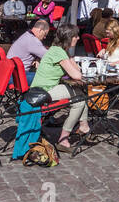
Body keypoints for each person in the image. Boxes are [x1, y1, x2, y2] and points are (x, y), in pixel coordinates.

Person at [33, 23, 96, 152]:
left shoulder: (59, 50)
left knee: (79, 94)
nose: (78, 38)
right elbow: (77, 75)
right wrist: (70, 60)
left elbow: (77, 69)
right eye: (75, 36)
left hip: (44, 88)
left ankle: (82, 126)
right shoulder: (58, 53)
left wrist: (70, 57)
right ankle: (64, 139)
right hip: (43, 91)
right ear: (69, 37)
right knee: (79, 99)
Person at [9, 18, 50, 83]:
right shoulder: (33, 41)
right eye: (45, 34)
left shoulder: (27, 35)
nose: (45, 37)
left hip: (8, 73)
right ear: (40, 30)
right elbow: (50, 56)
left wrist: (37, 58)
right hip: (15, 77)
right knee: (47, 78)